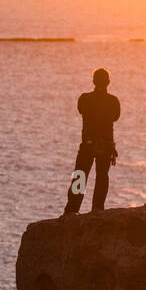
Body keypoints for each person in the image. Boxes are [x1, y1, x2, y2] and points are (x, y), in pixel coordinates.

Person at [63, 68, 120, 216]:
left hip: (87, 143)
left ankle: (72, 209)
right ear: (108, 82)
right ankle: (97, 209)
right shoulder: (113, 101)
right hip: (106, 145)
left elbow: (82, 110)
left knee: (80, 175)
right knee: (102, 177)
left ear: (93, 81)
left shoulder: (84, 99)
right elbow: (115, 117)